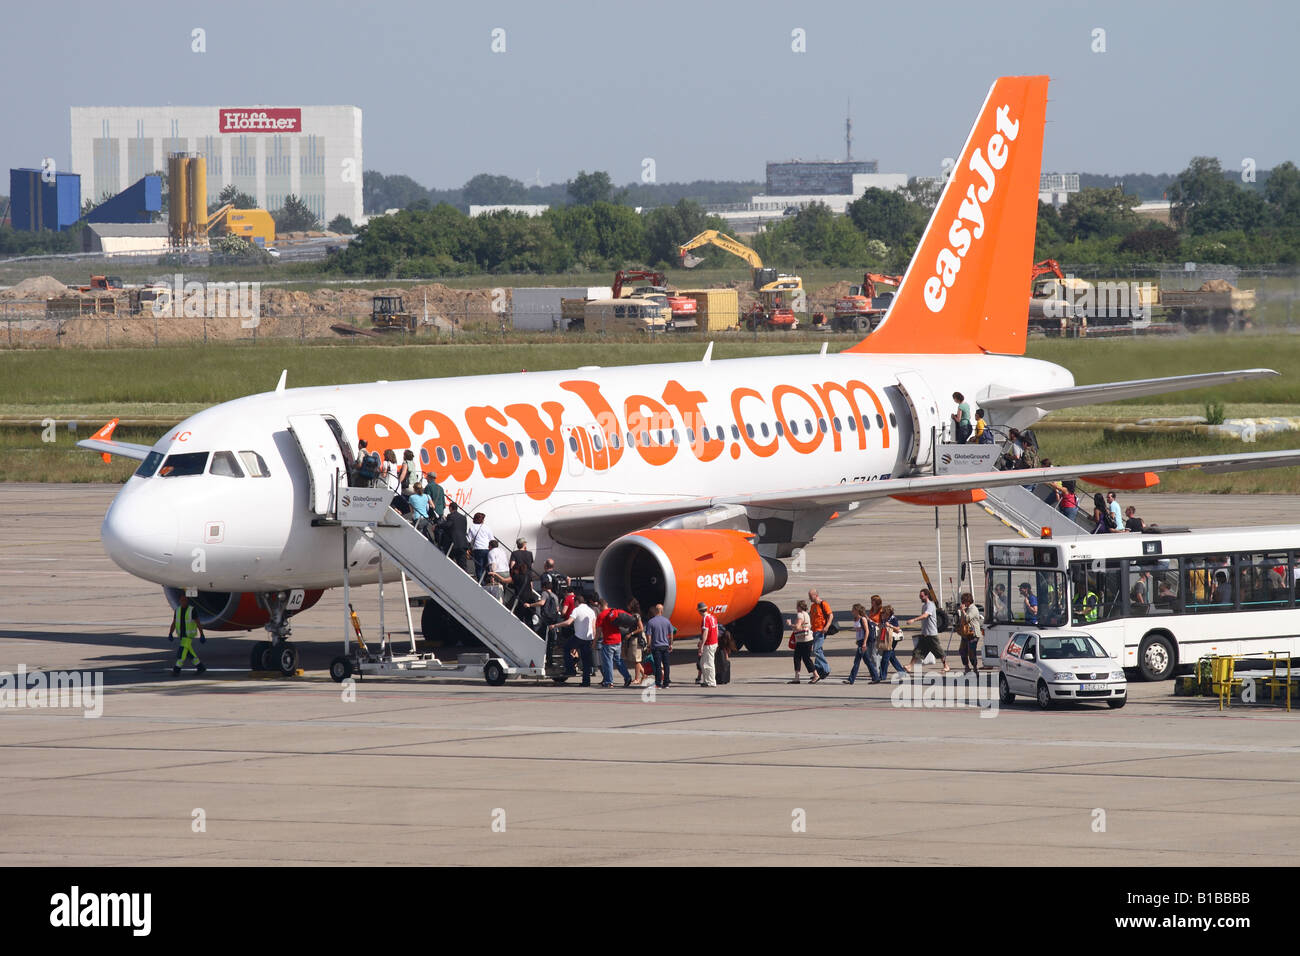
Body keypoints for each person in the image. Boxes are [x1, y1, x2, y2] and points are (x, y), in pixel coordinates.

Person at [905, 588, 949, 673]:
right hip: (925, 634)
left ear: (927, 595)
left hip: (931, 634)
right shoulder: (924, 606)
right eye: (920, 596)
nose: (920, 598)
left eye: (922, 596)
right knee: (917, 651)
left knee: (939, 651)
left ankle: (946, 666)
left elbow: (925, 616)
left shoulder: (930, 605)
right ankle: (910, 666)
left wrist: (913, 620)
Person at [558, 594, 597, 686]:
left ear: (577, 602)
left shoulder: (576, 610)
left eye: (574, 603)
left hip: (578, 637)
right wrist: (594, 640)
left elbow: (568, 622)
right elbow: (593, 627)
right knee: (586, 661)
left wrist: (556, 625)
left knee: (566, 648)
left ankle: (570, 669)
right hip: (588, 638)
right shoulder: (591, 611)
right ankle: (586, 682)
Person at [595, 599, 633, 688]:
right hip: (618, 640)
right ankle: (627, 677)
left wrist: (594, 642)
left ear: (600, 606)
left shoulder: (601, 615)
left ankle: (609, 681)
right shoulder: (614, 612)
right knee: (619, 661)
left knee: (608, 662)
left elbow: (598, 631)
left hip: (608, 642)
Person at [168, 594, 207, 676]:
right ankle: (200, 667)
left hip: (188, 636)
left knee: (181, 654)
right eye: (182, 600)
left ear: (187, 601)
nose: (183, 602)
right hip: (182, 636)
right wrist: (170, 633)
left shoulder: (192, 610)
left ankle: (176, 670)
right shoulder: (177, 610)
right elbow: (174, 623)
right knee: (190, 653)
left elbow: (198, 622)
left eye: (185, 600)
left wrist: (202, 634)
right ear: (179, 601)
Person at [844, 603, 881, 684]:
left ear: (857, 611)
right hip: (860, 642)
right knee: (867, 661)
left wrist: (864, 643)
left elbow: (867, 631)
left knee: (857, 661)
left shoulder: (863, 619)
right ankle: (876, 677)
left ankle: (851, 679)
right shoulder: (856, 619)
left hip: (864, 642)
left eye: (853, 610)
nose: (852, 611)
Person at [645, 603, 675, 688]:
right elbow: (671, 634)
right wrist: (671, 644)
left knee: (657, 665)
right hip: (665, 646)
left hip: (656, 646)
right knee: (666, 665)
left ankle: (658, 683)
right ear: (662, 611)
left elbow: (649, 635)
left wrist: (648, 646)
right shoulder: (667, 621)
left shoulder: (651, 622)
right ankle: (666, 683)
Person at [876, 605, 908, 678]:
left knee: (885, 658)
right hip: (886, 638)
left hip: (892, 639)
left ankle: (882, 676)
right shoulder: (883, 618)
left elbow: (897, 629)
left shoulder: (893, 619)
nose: (881, 614)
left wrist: (890, 625)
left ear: (887, 613)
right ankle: (902, 672)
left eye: (883, 613)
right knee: (891, 657)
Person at [808, 589, 833, 681]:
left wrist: (827, 626)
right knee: (819, 650)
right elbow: (811, 618)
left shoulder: (823, 604)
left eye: (810, 596)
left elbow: (830, 615)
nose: (809, 598)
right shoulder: (813, 606)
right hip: (814, 631)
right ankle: (819, 670)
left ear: (815, 595)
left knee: (816, 650)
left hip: (821, 631)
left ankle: (826, 669)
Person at [957, 592, 984, 674]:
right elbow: (962, 620)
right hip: (966, 634)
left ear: (968, 601)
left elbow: (967, 619)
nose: (962, 603)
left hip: (973, 634)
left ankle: (975, 667)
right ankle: (966, 666)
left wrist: (963, 611)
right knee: (962, 650)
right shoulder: (966, 609)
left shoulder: (973, 609)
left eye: (963, 601)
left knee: (971, 652)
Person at [622, 598, 647, 687]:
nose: (627, 606)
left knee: (636, 660)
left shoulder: (636, 616)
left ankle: (637, 678)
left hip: (636, 640)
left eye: (628, 605)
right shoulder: (632, 615)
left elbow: (641, 628)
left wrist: (631, 633)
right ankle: (644, 674)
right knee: (635, 660)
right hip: (632, 639)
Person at [789, 599, 815, 683]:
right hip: (807, 639)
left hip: (803, 640)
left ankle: (815, 675)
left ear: (800, 607)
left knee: (802, 658)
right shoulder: (806, 614)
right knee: (801, 658)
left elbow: (797, 627)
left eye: (797, 606)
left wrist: (790, 624)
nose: (796, 608)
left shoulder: (800, 615)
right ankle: (797, 677)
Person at [440, 501, 469, 569]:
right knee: (462, 564)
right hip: (463, 543)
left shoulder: (451, 516)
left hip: (454, 543)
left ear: (450, 508)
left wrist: (438, 525)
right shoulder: (463, 517)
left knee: (449, 562)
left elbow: (448, 525)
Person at [697, 602, 719, 687]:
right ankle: (706, 680)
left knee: (709, 663)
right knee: (703, 662)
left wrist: (701, 645)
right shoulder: (713, 617)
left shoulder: (705, 619)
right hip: (713, 642)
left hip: (709, 643)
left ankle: (711, 681)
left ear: (699, 611)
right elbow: (716, 630)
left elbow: (705, 632)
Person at [467, 511, 493, 581]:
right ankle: (487, 582)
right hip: (487, 549)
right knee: (487, 567)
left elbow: (468, 539)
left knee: (479, 568)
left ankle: (481, 583)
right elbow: (492, 539)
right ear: (482, 520)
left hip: (477, 549)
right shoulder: (487, 527)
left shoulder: (472, 527)